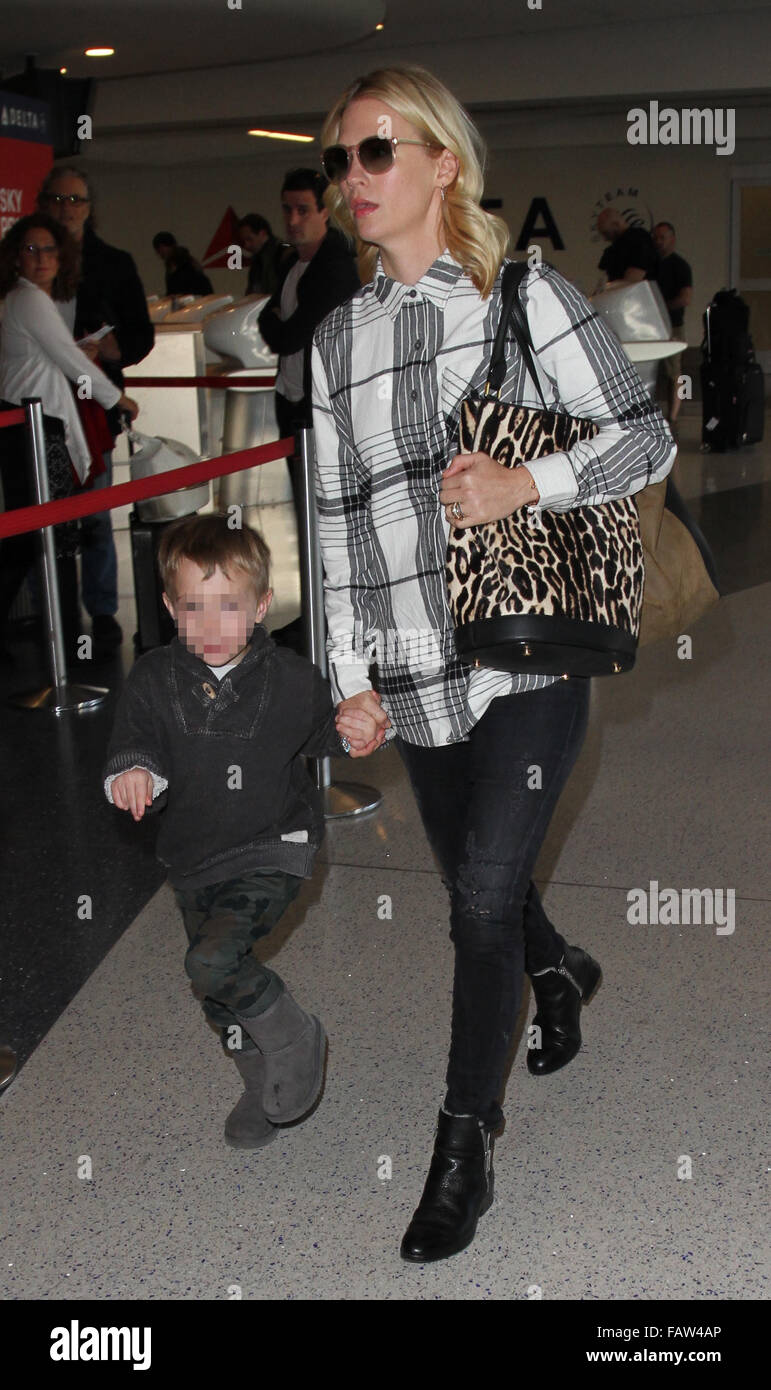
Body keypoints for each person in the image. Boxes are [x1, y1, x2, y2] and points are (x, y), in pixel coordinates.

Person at [312, 65, 676, 1263]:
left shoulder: (523, 298)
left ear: (441, 163)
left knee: (474, 899)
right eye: (340, 159)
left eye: (375, 152)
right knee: (492, 880)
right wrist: (345, 672)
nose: (352, 178)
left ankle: (461, 1148)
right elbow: (331, 515)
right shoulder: (333, 341)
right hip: (413, 664)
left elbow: (646, 430)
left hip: (526, 651)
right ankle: (560, 969)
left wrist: (530, 479)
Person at [102, 514, 363, 1148]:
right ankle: (258, 1076)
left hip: (272, 845)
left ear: (261, 607)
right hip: (194, 859)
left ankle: (298, 1039)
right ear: (167, 607)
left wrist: (355, 728)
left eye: (229, 607)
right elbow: (135, 747)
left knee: (213, 958)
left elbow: (324, 732)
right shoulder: (152, 681)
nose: (211, 626)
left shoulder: (291, 679)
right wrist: (133, 774)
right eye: (193, 608)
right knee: (213, 990)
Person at [0, 215, 138, 654]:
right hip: (35, 428)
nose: (41, 259)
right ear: (16, 257)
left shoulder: (20, 300)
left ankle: (62, 644)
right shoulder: (29, 300)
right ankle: (67, 654)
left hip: (28, 424)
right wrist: (117, 398)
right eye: (31, 249)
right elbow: (69, 362)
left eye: (49, 250)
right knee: (48, 540)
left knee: (36, 539)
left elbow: (52, 356)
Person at [38, 167, 154, 656]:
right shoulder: (31, 265)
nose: (67, 207)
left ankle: (102, 609)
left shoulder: (115, 263)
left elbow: (139, 337)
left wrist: (110, 350)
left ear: (90, 207)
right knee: (51, 515)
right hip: (41, 406)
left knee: (98, 514)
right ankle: (58, 614)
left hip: (96, 404)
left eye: (77, 199)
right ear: (45, 204)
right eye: (59, 198)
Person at [257, 168, 359, 506]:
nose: (293, 219)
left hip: (322, 407)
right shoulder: (291, 264)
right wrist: (276, 325)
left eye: (303, 209)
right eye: (287, 209)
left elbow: (289, 336)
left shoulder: (335, 266)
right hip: (292, 400)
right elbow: (269, 321)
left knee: (323, 507)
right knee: (303, 505)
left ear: (325, 211)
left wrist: (276, 324)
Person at [652, 221, 693, 432]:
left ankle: (673, 416)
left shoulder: (680, 266)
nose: (658, 242)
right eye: (656, 238)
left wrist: (660, 307)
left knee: (674, 371)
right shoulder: (650, 265)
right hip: (649, 328)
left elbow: (685, 298)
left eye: (662, 238)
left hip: (672, 326)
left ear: (672, 239)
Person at [594, 207, 659, 292]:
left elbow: (634, 278)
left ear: (616, 225)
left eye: (606, 233)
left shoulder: (639, 239)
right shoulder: (612, 249)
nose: (605, 239)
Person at [152, 232, 214, 298]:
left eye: (162, 248)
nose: (161, 252)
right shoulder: (171, 267)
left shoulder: (187, 265)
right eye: (158, 250)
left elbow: (197, 288)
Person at [237, 214, 286, 297]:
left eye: (249, 239)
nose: (246, 245)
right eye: (244, 241)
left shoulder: (282, 254)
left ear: (262, 233)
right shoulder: (258, 259)